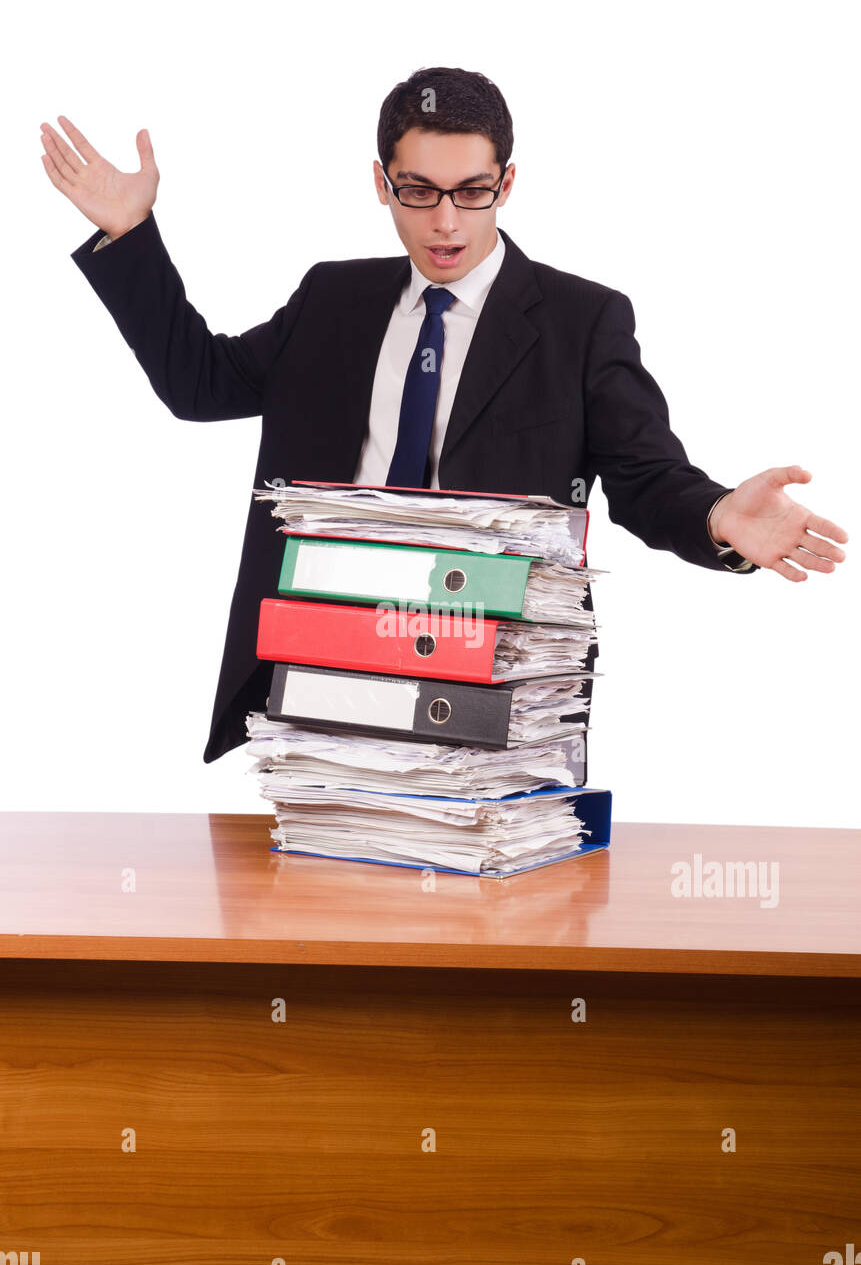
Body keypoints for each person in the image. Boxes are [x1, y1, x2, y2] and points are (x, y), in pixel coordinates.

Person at [40, 67, 847, 765]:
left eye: (471, 192)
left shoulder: (579, 321)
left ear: (508, 182)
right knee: (320, 904)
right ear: (381, 182)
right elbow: (199, 383)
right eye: (418, 192)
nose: (446, 222)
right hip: (324, 660)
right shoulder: (332, 299)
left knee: (487, 914)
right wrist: (131, 234)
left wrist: (715, 515)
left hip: (492, 670)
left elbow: (643, 478)